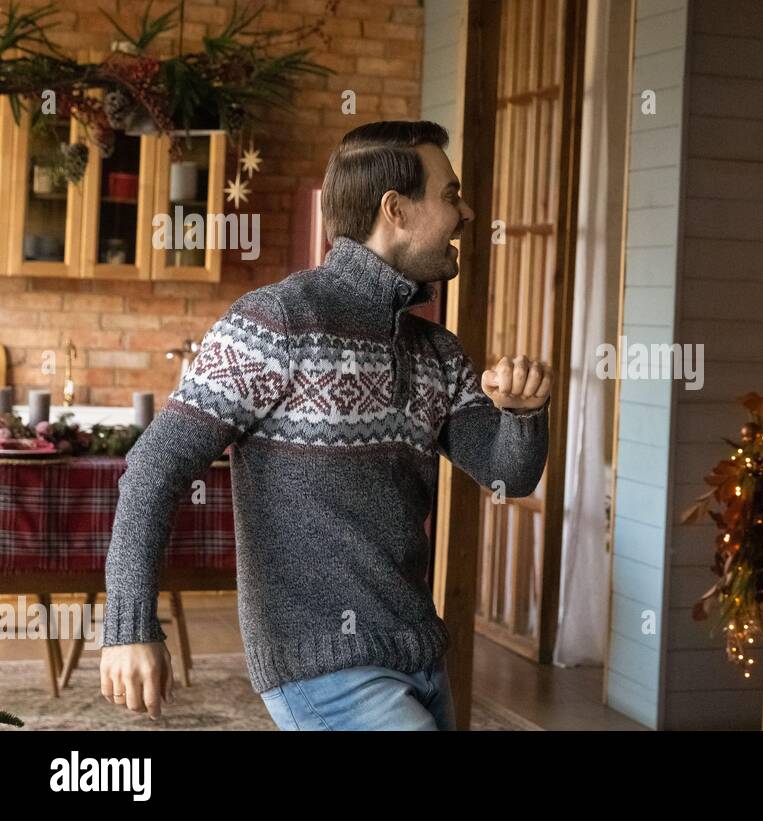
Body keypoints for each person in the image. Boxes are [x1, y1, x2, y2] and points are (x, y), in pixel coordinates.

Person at [99, 121, 551, 730]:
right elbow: (154, 467)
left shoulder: (437, 352)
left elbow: (509, 474)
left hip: (420, 653)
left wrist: (522, 414)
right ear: (396, 208)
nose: (466, 212)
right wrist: (129, 626)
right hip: (321, 664)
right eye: (450, 195)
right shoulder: (276, 322)